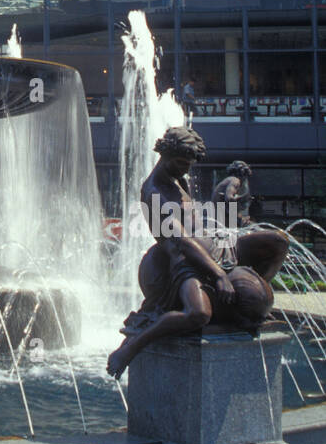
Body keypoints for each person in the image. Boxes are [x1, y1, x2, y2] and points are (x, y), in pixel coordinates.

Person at [107, 127, 288, 379]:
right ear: (164, 154)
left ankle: (244, 306)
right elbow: (181, 240)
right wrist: (219, 275)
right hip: (186, 262)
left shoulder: (176, 179)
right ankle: (131, 348)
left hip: (217, 246)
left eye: (188, 165)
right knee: (198, 314)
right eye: (181, 163)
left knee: (278, 242)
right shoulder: (154, 192)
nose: (185, 170)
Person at [212, 161, 253, 228]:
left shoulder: (227, 180)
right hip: (224, 221)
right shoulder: (235, 181)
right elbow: (229, 198)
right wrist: (243, 198)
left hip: (221, 220)